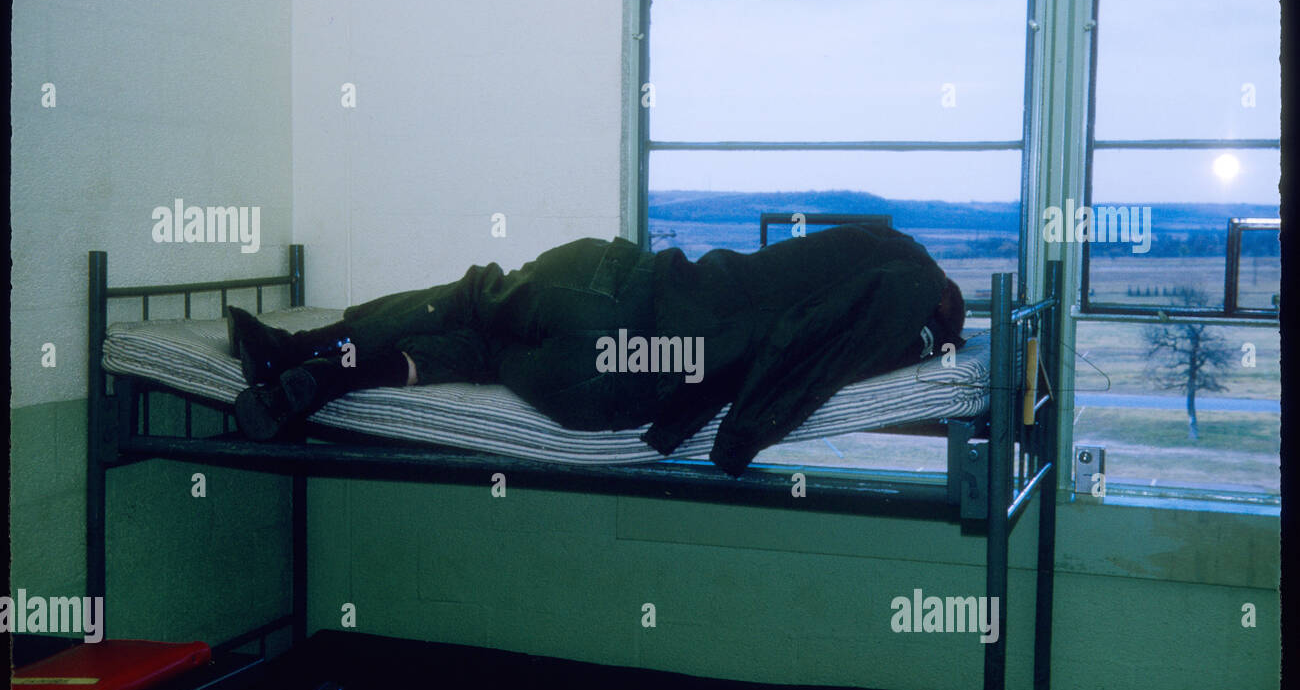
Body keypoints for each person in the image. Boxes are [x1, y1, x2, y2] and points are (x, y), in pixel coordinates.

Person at [227, 223, 966, 476]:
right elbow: (803, 350)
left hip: (618, 302)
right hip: (604, 396)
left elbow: (817, 329)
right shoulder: (885, 324)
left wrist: (932, 326)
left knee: (473, 295)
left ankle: (294, 349)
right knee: (468, 349)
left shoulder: (904, 269)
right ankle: (319, 381)